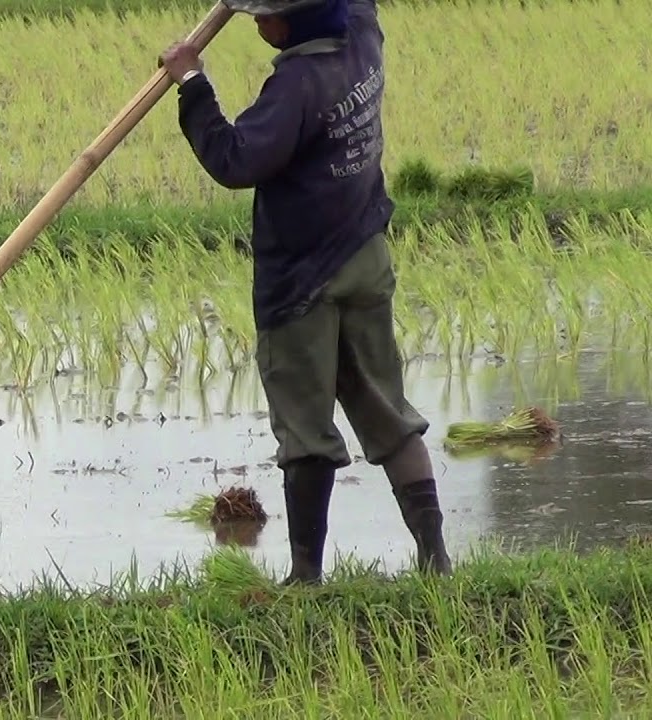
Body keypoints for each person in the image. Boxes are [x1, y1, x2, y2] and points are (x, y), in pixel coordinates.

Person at [159, 0, 453, 584]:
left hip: (302, 283)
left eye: (267, 16)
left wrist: (192, 82)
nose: (259, 23)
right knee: (387, 411)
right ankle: (435, 557)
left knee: (304, 429)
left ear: (294, 23)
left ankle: (305, 577)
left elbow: (237, 158)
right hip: (366, 256)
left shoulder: (296, 84)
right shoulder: (363, 36)